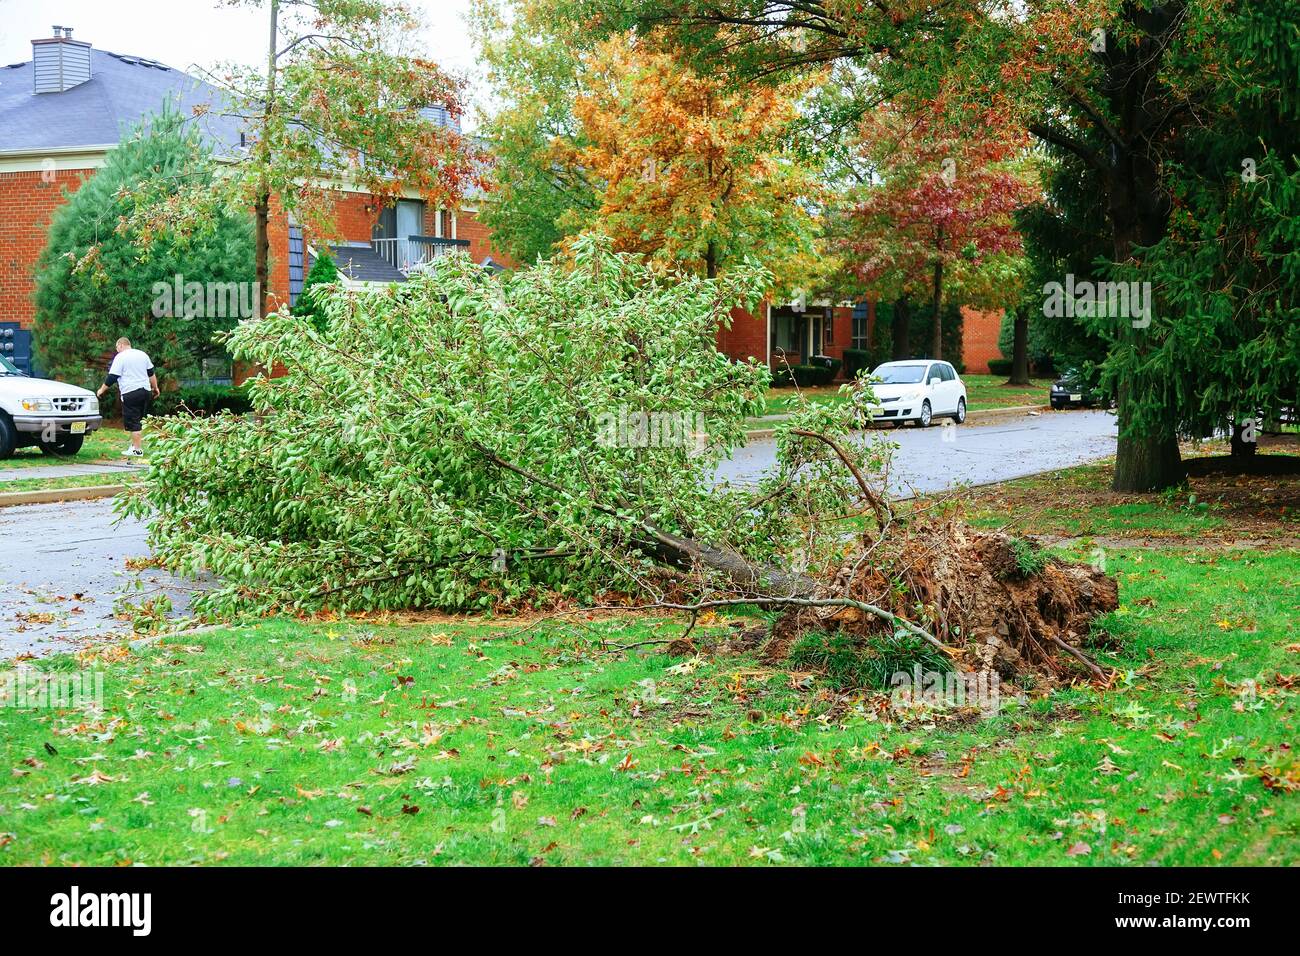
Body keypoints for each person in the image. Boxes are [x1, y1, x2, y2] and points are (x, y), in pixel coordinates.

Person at [96, 337, 159, 458]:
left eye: (116, 348)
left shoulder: (121, 357)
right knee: (139, 420)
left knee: (134, 421)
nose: (117, 350)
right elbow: (151, 373)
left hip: (131, 392)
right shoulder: (142, 354)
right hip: (145, 391)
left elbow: (112, 377)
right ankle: (134, 446)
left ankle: (137, 450)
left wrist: (101, 390)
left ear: (120, 345)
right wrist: (155, 387)